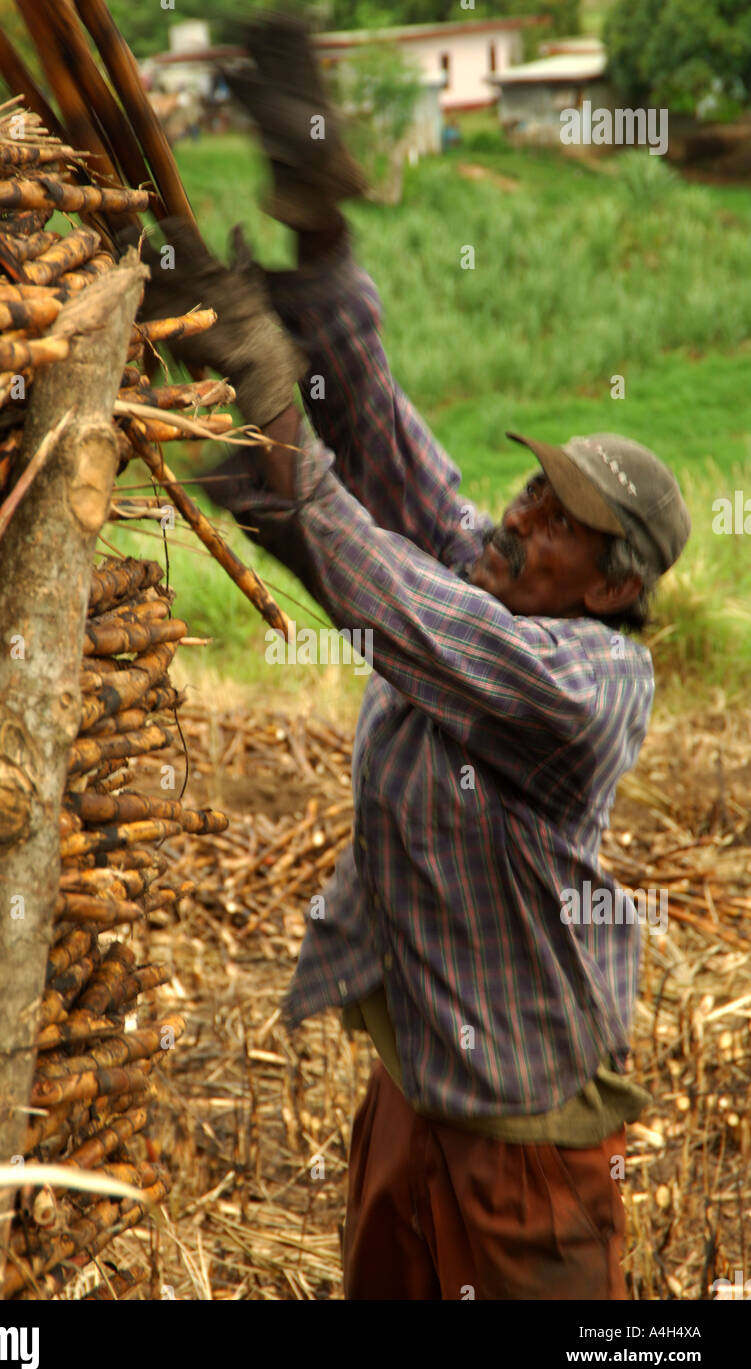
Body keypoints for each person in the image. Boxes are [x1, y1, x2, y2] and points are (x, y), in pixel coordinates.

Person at [136, 16, 691, 1300]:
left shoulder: (582, 686)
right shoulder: (495, 573)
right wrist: (318, 248)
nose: (516, 519)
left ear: (613, 585)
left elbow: (400, 604)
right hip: (414, 1108)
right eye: (530, 491)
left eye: (559, 526)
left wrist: (276, 417)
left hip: (519, 1157)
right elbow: (388, 452)